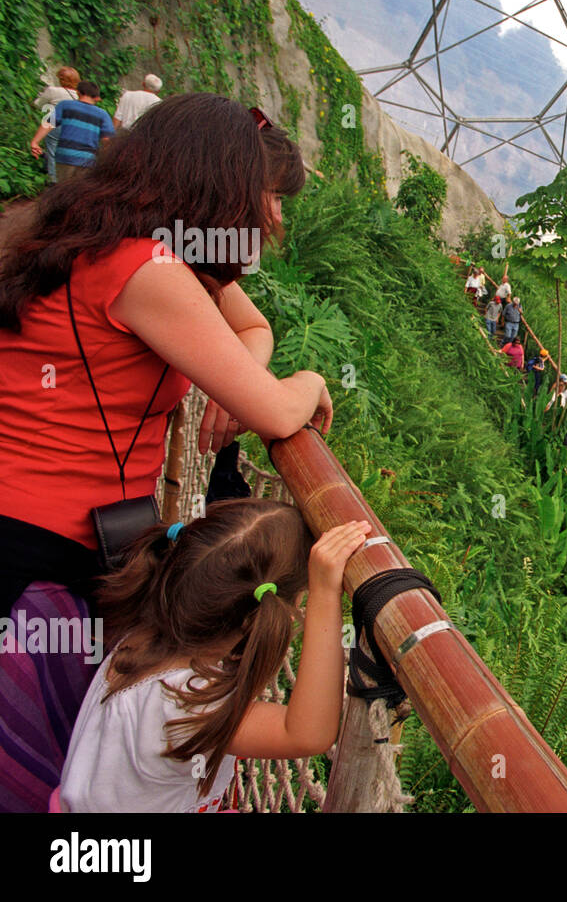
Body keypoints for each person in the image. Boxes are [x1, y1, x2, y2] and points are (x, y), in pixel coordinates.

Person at [0, 93, 329, 812]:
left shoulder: (93, 231)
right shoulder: (147, 271)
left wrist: (226, 376)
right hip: (41, 553)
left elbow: (252, 326)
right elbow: (274, 408)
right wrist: (308, 381)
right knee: (29, 759)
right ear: (221, 183)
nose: (274, 217)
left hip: (45, 528)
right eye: (270, 195)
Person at [58, 502, 371, 811]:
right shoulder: (187, 702)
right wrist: (325, 595)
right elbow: (306, 734)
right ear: (256, 617)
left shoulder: (143, 633)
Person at [31, 81, 115, 183]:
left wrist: (35, 142)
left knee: (63, 188)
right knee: (80, 192)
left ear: (78, 92)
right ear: (97, 98)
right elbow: (107, 140)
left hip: (65, 156)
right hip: (88, 160)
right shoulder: (103, 115)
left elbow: (48, 124)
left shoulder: (65, 106)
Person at [33, 67, 80, 183]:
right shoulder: (80, 94)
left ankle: (54, 180)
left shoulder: (53, 91)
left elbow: (38, 105)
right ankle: (70, 180)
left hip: (55, 124)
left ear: (61, 79)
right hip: (73, 127)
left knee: (52, 151)